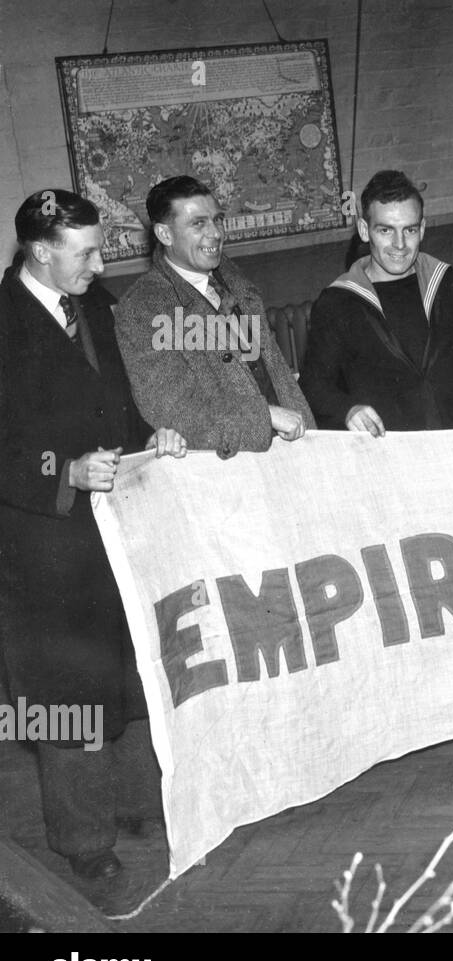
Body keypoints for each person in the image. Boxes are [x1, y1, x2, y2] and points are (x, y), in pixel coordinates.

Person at [0, 189, 188, 907]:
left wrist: (152, 434)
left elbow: (121, 399)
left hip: (118, 526)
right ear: (39, 252)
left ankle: (137, 802)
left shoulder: (97, 306)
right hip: (43, 543)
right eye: (85, 253)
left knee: (130, 667)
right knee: (66, 689)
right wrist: (64, 472)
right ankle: (84, 841)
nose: (101, 264)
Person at [116, 176, 314, 457]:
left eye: (217, 220)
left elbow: (273, 372)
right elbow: (174, 412)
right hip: (226, 464)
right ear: (165, 235)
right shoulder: (142, 308)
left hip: (289, 449)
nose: (216, 233)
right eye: (198, 223)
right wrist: (264, 416)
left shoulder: (231, 276)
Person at [300, 171, 453, 436]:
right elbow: (314, 386)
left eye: (409, 230)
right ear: (364, 230)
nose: (399, 244)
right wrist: (347, 410)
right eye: (385, 230)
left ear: (422, 229)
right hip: (386, 448)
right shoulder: (338, 302)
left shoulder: (446, 283)